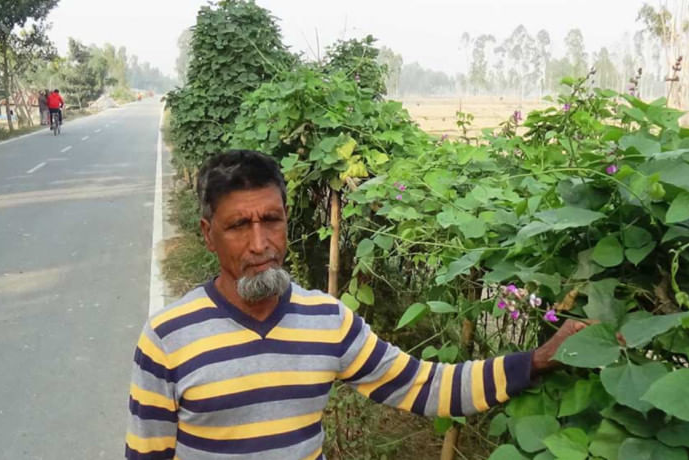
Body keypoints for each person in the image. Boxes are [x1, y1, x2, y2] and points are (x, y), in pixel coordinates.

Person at [124, 150, 588, 460]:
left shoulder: (326, 320)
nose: (260, 243)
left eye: (271, 220)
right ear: (207, 234)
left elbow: (424, 386)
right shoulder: (169, 338)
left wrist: (539, 359)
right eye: (238, 226)